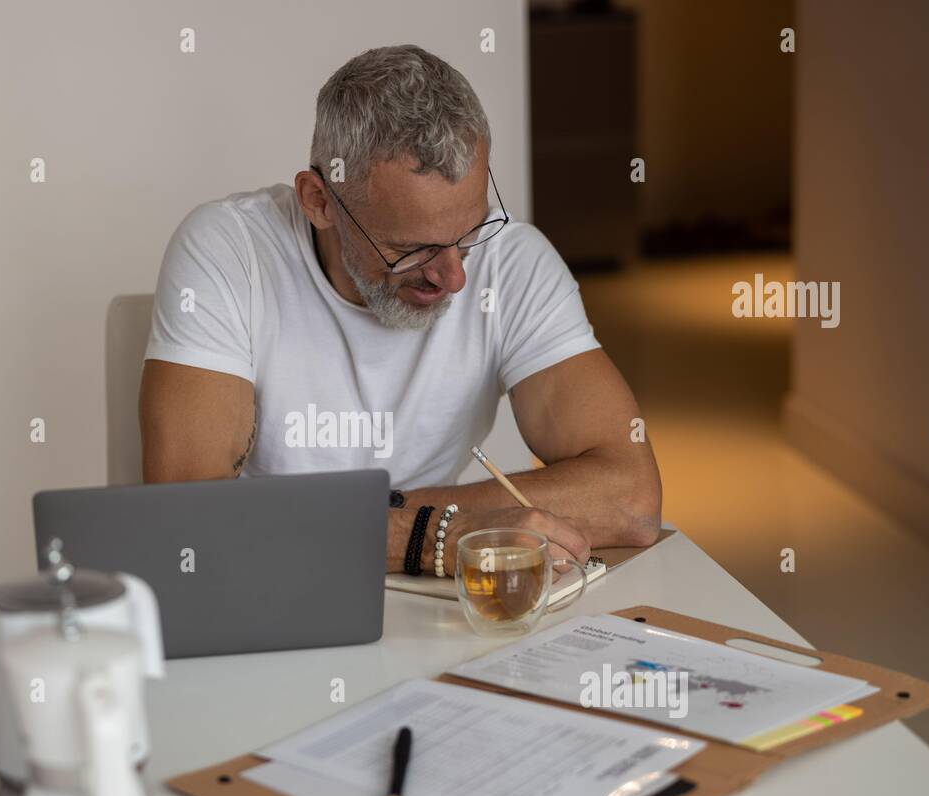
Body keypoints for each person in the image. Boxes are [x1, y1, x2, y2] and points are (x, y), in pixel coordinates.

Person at [140, 44, 661, 575]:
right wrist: (436, 536)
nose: (454, 277)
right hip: (267, 584)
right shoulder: (229, 249)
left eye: (470, 233)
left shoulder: (513, 261)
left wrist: (377, 525)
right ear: (319, 200)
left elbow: (631, 501)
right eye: (412, 249)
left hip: (414, 589)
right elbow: (187, 520)